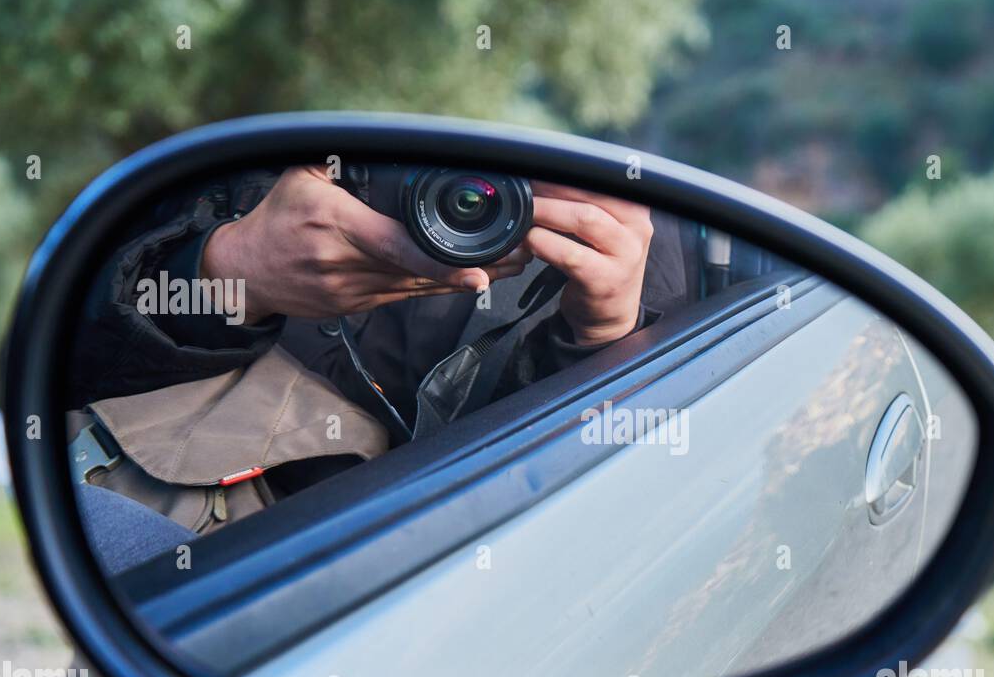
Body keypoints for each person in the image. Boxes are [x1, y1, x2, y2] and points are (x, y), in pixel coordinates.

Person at [68, 163, 700, 562]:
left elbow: (619, 531)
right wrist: (228, 272)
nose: (472, 202)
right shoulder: (278, 144)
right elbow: (66, 360)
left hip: (428, 578)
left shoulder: (644, 221)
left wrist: (603, 337)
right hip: (224, 523)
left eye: (488, 197)